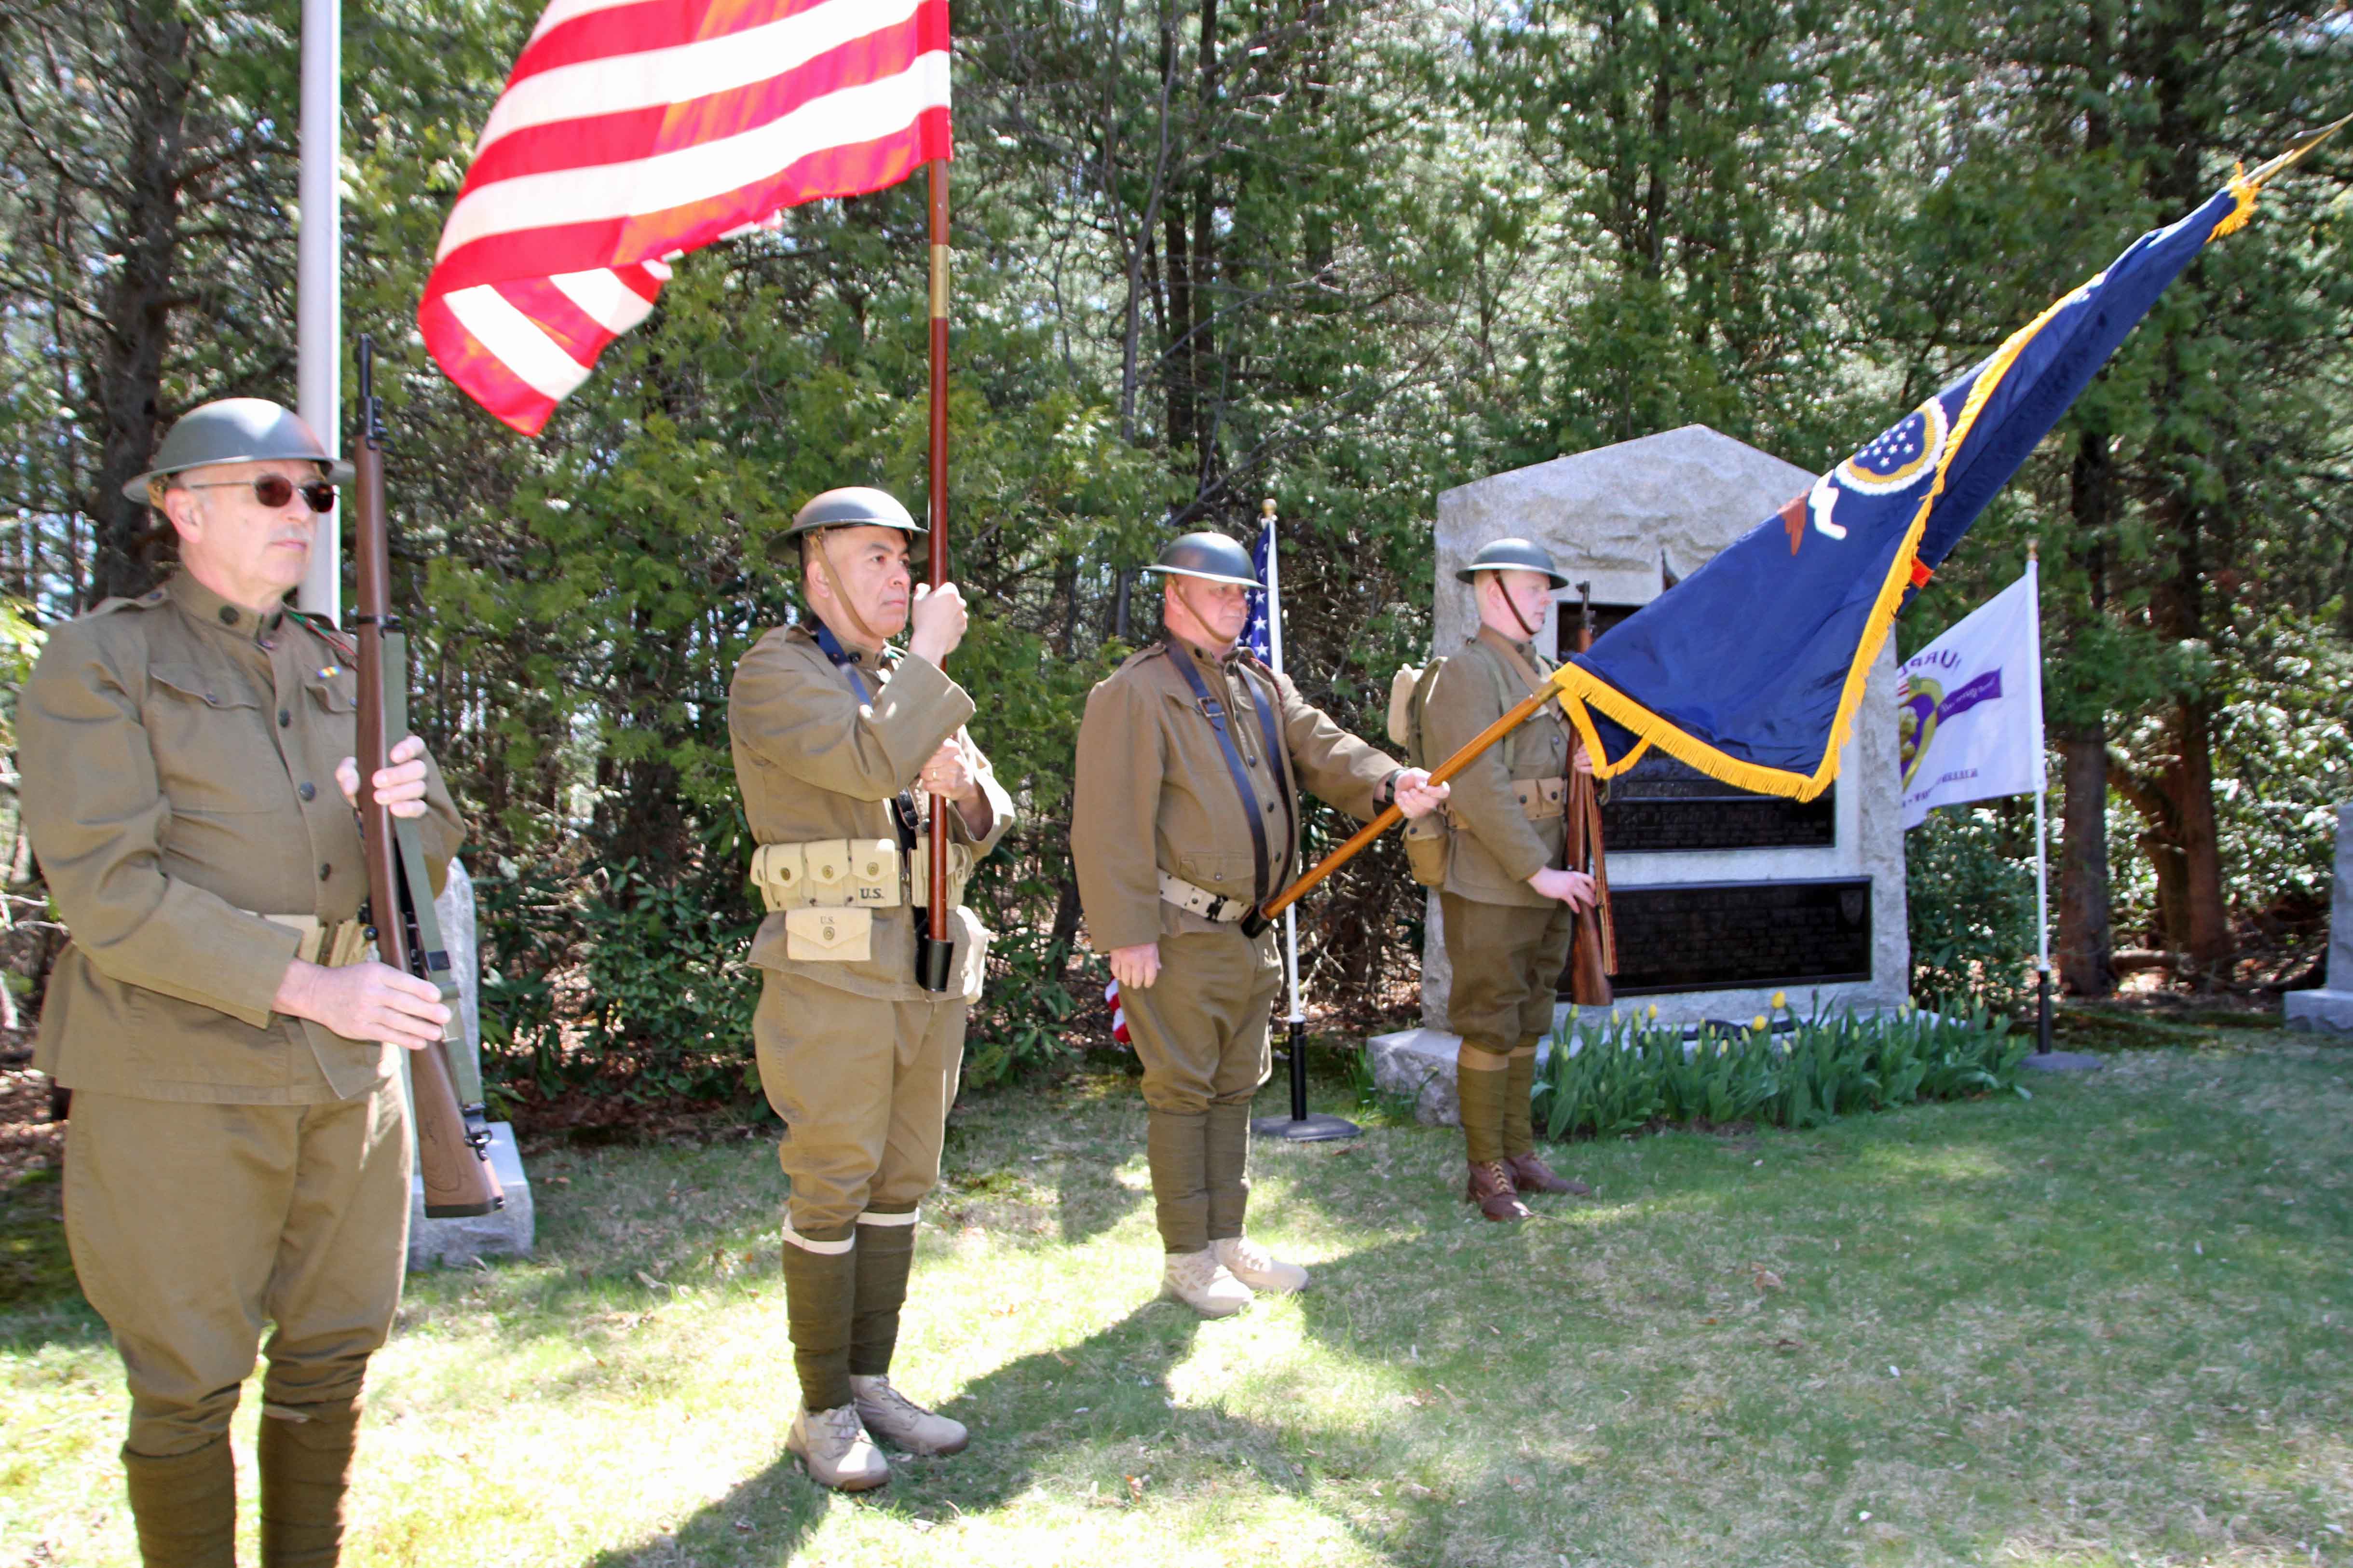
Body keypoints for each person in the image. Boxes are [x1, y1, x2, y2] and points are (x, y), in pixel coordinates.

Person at [19, 398, 465, 1567]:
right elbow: (109, 892)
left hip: (345, 1070)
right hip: (179, 1069)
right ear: (181, 506)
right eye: (272, 489)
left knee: (328, 1362)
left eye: (316, 494)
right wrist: (314, 992)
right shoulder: (106, 658)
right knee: (186, 1383)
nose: (302, 514)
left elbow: (417, 867)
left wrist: (417, 807)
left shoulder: (339, 661)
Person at [1071, 532, 1449, 1317]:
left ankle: (1225, 1239)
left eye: (1243, 594)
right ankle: (1186, 1255)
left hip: (1251, 930)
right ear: (1174, 597)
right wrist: (1126, 932)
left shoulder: (1258, 686)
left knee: (1236, 1087)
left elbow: (1322, 747)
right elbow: (1107, 824)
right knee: (1182, 1092)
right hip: (1174, 934)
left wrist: (1391, 780)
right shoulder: (1134, 694)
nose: (1237, 606)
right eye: (1220, 593)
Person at [728, 487, 1014, 1492]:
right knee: (834, 1174)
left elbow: (990, 808)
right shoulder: (775, 672)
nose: (899, 577)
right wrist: (931, 658)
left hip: (926, 960)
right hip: (832, 966)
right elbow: (860, 757)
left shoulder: (899, 675)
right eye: (874, 559)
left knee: (901, 1180)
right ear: (816, 571)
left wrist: (962, 789)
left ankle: (873, 1379)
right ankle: (823, 1409)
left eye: (904, 560)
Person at [1424, 538, 1599, 1222]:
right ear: (1491, 591)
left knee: (1530, 1015)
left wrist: (1592, 775)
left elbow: (1563, 774)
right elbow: (1478, 784)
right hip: (1499, 877)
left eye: (1547, 589)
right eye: (1533, 588)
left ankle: (1520, 1154)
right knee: (1492, 1019)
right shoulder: (1468, 673)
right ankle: (1485, 1169)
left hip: (1550, 870)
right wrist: (1539, 872)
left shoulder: (1543, 671)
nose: (1545, 600)